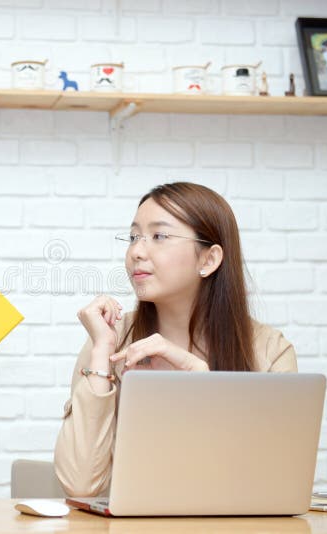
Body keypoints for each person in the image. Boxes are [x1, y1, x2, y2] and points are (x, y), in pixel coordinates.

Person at [53, 182, 297, 497]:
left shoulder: (269, 351)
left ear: (208, 260)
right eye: (133, 237)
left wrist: (199, 378)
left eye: (159, 236)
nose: (136, 252)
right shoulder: (111, 341)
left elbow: (275, 481)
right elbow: (81, 486)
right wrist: (101, 352)